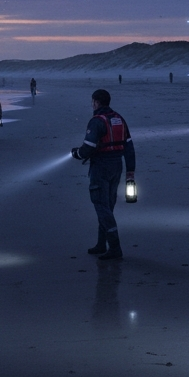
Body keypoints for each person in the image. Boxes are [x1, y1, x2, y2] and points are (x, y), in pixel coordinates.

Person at [71, 89, 136, 260]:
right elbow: (129, 147)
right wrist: (130, 172)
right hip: (117, 166)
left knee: (101, 206)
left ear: (96, 102)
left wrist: (76, 154)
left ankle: (114, 247)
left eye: (92, 101)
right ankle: (101, 244)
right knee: (108, 206)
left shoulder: (96, 122)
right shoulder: (119, 119)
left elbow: (87, 149)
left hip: (101, 167)